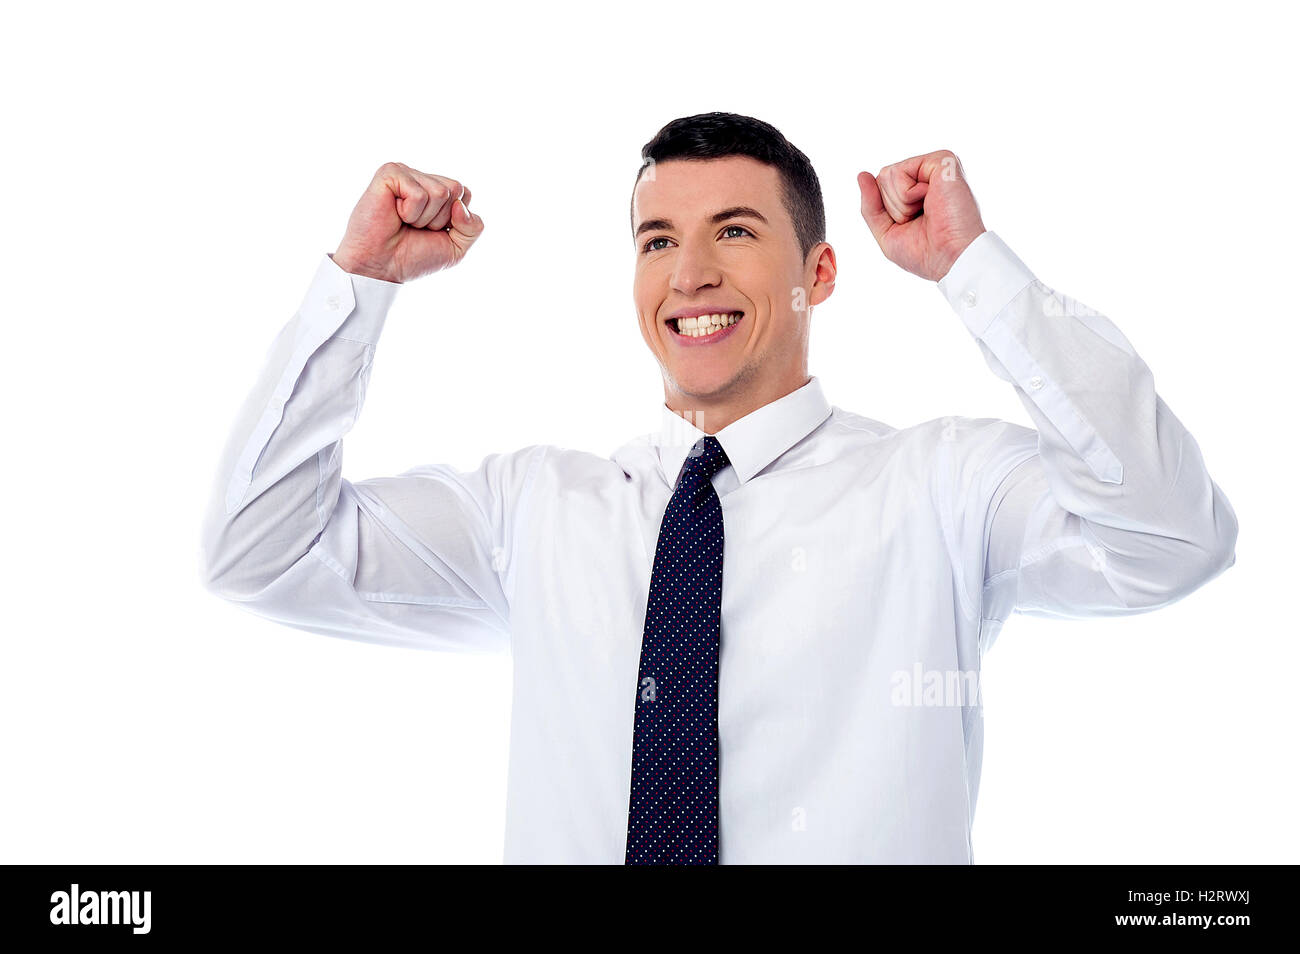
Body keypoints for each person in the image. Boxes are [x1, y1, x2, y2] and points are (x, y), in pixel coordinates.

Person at [199, 112, 1238, 864]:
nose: (688, 273)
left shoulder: (941, 490)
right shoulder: (535, 512)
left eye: (734, 232)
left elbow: (1174, 539)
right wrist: (358, 284)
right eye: (658, 241)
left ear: (819, 273)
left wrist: (973, 269)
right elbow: (259, 552)